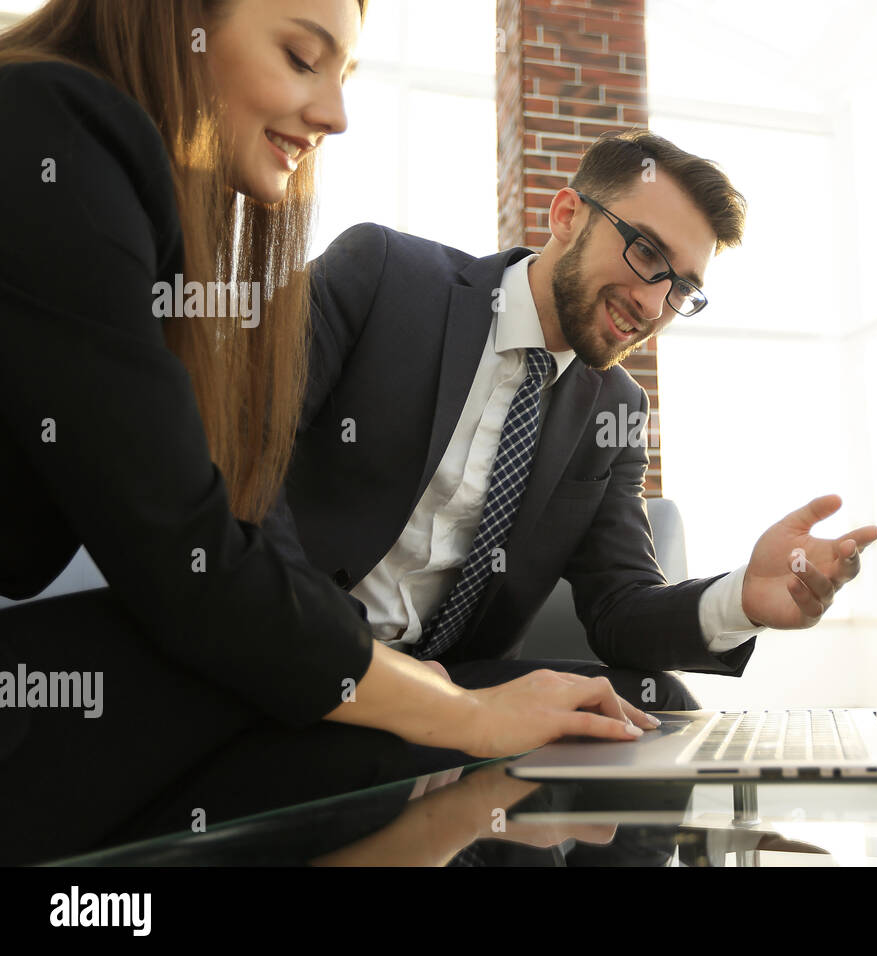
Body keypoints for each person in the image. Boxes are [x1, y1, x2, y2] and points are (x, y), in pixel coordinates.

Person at [0, 0, 654, 866]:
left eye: (343, 76)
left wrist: (443, 701)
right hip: (132, 670)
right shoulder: (60, 129)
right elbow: (198, 550)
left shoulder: (146, 213)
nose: (336, 116)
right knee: (381, 736)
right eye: (302, 57)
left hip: (268, 648)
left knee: (409, 747)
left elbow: (213, 508)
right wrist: (458, 711)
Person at [281, 130, 877, 705]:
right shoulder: (385, 277)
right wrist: (364, 661)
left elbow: (620, 607)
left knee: (659, 703)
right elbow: (239, 469)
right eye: (646, 251)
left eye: (681, 288)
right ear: (567, 216)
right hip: (301, 640)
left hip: (453, 680)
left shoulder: (616, 410)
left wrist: (741, 598)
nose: (653, 304)